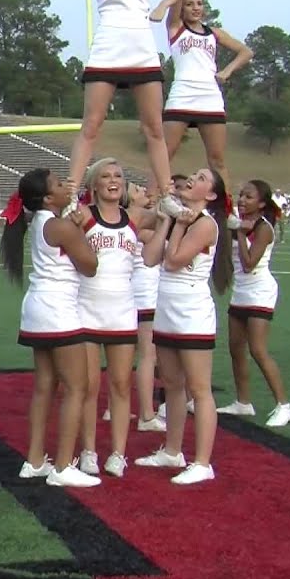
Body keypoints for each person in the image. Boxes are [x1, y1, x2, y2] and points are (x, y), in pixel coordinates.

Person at [67, 0, 194, 219]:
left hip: (141, 48)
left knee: (154, 128)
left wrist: (162, 6)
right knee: (91, 125)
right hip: (108, 46)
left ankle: (166, 195)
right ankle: (70, 195)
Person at [0, 169, 100, 488]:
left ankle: (35, 460)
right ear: (47, 198)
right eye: (58, 184)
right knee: (76, 387)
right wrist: (81, 229)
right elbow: (91, 265)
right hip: (58, 311)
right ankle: (64, 466)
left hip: (37, 309)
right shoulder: (59, 226)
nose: (66, 186)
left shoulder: (41, 222)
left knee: (45, 386)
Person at [137, 168, 232, 485]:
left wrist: (178, 222)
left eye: (203, 177)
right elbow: (150, 252)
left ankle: (203, 462)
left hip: (192, 312)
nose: (194, 177)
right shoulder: (181, 216)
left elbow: (174, 260)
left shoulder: (205, 224)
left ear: (211, 195)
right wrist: (167, 217)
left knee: (199, 389)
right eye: (195, 174)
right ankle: (172, 450)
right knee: (172, 384)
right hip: (167, 307)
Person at [71, 159, 156, 478]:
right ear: (94, 185)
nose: (113, 180)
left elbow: (164, 217)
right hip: (87, 310)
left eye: (118, 176)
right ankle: (89, 451)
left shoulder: (134, 217)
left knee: (121, 385)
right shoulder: (84, 217)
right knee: (90, 387)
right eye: (105, 176)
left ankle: (118, 454)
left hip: (122, 311)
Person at [163, 0, 254, 189]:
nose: (195, 8)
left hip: (209, 96)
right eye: (190, 3)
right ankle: (152, 203)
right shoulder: (176, 28)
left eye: (199, 4)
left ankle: (226, 210)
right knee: (164, 155)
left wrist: (226, 71)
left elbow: (246, 52)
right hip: (182, 93)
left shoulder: (214, 33)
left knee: (217, 159)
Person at [221, 179, 290, 427]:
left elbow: (249, 263)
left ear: (262, 203)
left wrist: (241, 234)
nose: (242, 200)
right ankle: (243, 402)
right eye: (241, 195)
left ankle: (284, 405)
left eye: (249, 196)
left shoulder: (263, 228)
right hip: (241, 291)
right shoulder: (236, 224)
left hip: (260, 291)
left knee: (258, 349)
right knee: (235, 348)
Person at [129, 182, 165, 432]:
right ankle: (146, 414)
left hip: (133, 295)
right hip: (144, 296)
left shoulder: (124, 220)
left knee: (128, 354)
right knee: (147, 356)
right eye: (138, 190)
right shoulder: (138, 225)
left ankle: (113, 406)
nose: (144, 192)